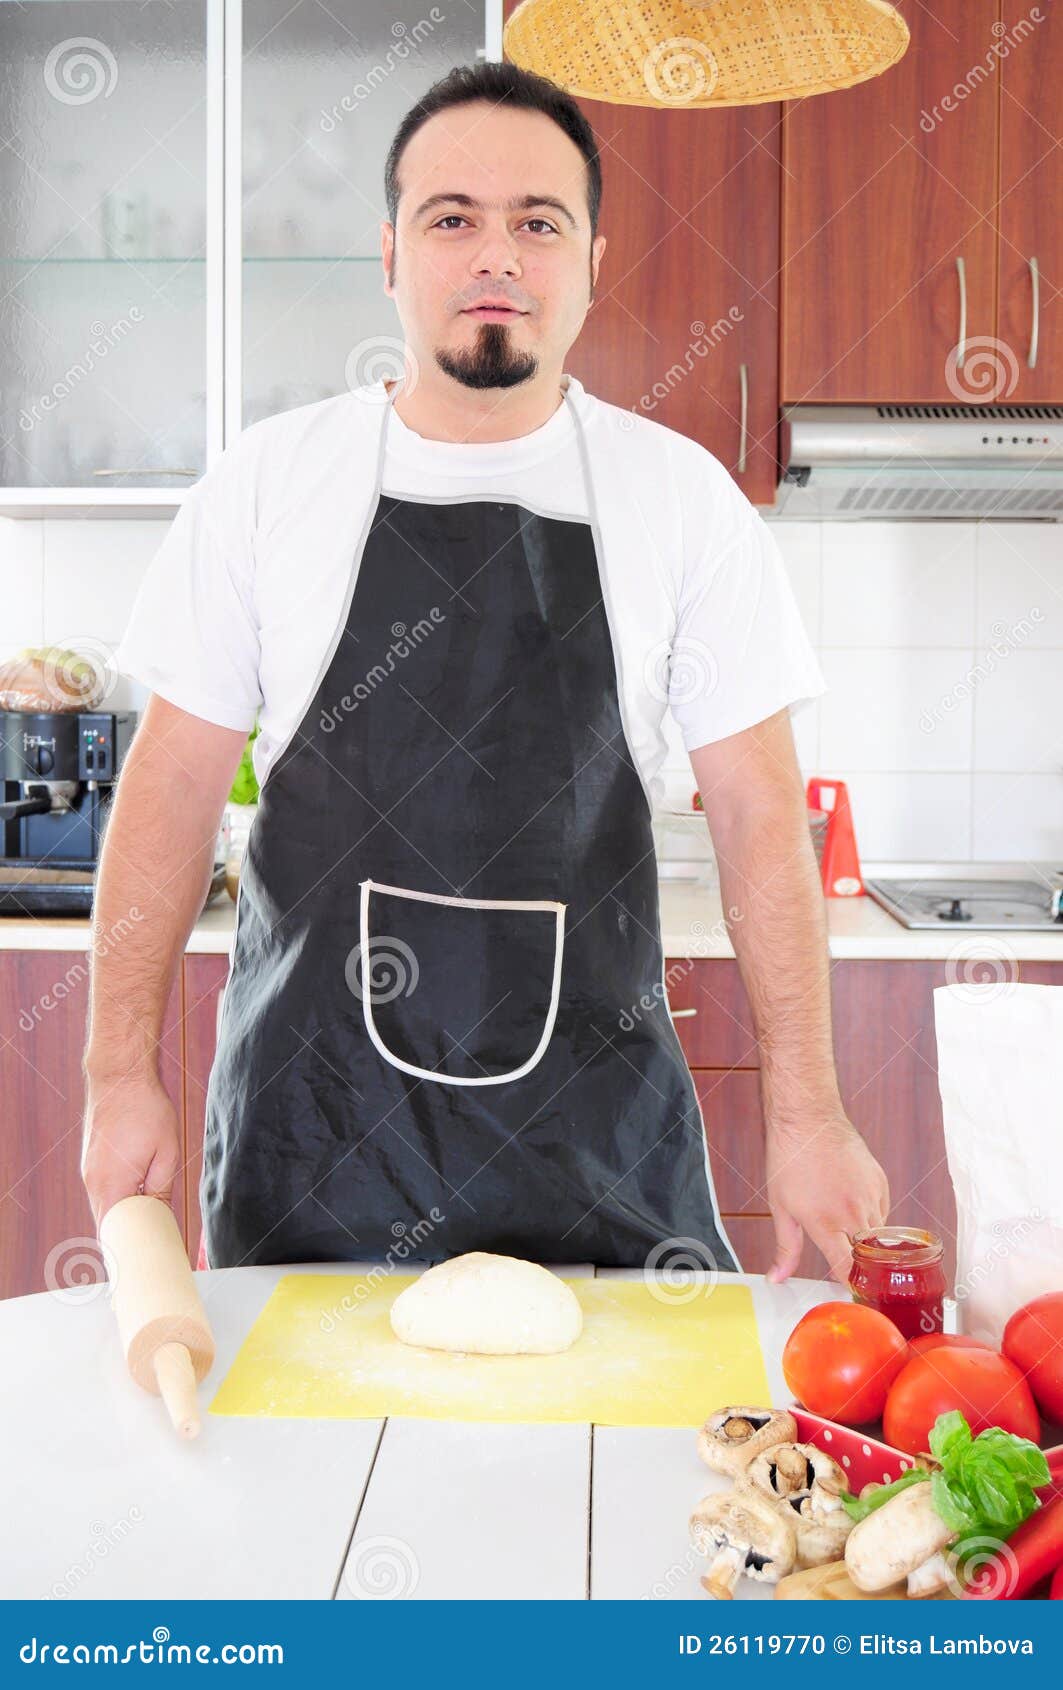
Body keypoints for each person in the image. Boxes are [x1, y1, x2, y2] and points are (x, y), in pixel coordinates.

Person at [82, 60, 889, 1285]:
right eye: (451, 217)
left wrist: (808, 1118)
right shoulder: (264, 486)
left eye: (538, 222)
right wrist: (114, 1075)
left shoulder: (679, 501)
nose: (494, 254)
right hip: (313, 1150)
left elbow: (761, 819)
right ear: (392, 256)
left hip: (598, 1167)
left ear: (591, 260)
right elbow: (170, 793)